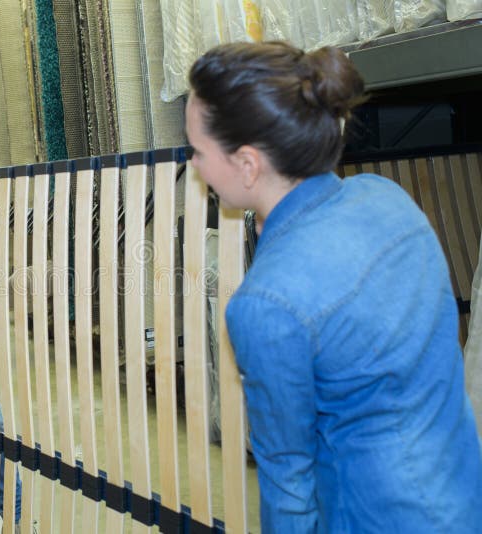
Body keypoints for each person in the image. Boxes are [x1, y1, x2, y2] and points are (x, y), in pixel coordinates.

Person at [186, 42, 482, 532]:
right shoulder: (389, 200)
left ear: (247, 164)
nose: (194, 165)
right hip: (461, 496)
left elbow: (289, 482)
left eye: (199, 151)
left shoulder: (264, 304)